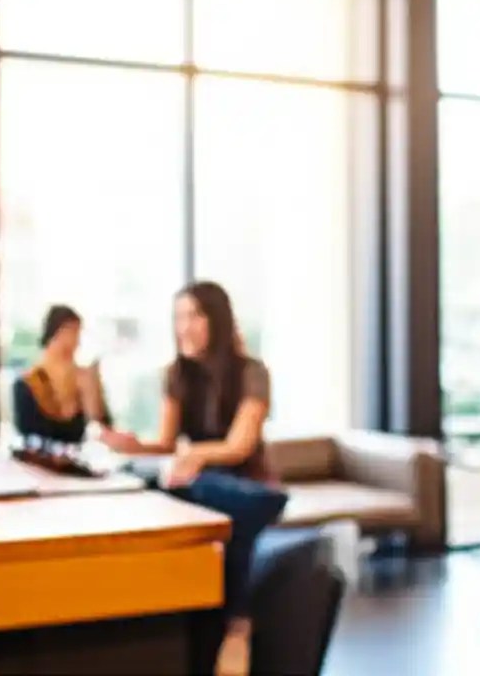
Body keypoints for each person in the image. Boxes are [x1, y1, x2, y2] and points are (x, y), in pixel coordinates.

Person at [99, 282, 279, 676]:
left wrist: (193, 455)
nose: (185, 326)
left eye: (194, 316)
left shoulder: (252, 372)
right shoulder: (176, 375)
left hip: (241, 485)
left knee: (220, 504)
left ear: (217, 320)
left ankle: (236, 627)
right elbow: (165, 443)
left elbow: (239, 446)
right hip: (198, 483)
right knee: (153, 480)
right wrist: (130, 446)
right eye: (179, 317)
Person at [12, 304, 114, 444]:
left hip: (76, 463)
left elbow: (106, 432)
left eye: (77, 334)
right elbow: (28, 438)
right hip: (36, 464)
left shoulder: (83, 381)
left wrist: (92, 397)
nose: (77, 343)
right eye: (73, 333)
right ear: (55, 334)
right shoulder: (28, 384)